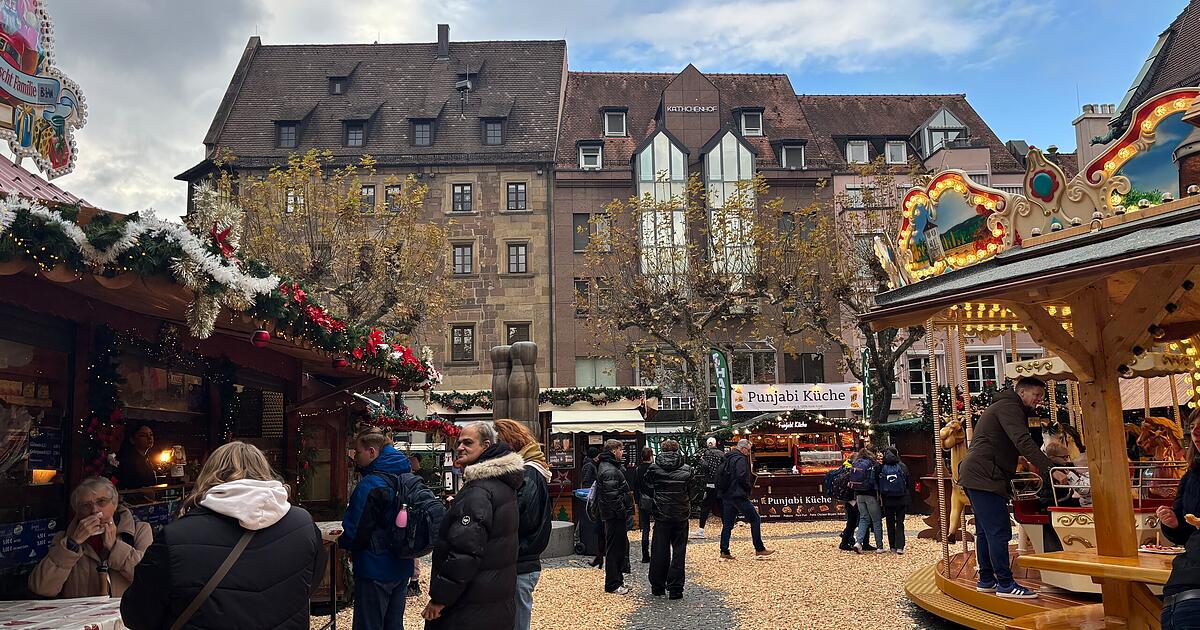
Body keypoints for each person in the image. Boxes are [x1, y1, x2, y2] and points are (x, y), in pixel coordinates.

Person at [121, 442, 325, 629]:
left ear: (209, 476)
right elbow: (310, 583)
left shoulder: (176, 537)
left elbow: (138, 616)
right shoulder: (303, 525)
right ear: (265, 473)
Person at [958, 377, 1055, 599]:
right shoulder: (1009, 407)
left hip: (979, 473)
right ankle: (1005, 583)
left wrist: (1034, 421)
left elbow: (1026, 440)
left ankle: (987, 579)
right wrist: (1050, 468)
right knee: (999, 529)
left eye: (1041, 397)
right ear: (1022, 392)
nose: (1039, 400)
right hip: (985, 474)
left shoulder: (1010, 407)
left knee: (984, 530)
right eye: (1036, 395)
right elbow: (1022, 442)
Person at [422, 422, 524, 629]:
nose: (459, 447)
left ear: (486, 446)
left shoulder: (479, 491)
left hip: (469, 607)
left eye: (468, 442)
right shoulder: (501, 484)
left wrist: (440, 598)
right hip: (492, 602)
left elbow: (464, 551)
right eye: (459, 442)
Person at [338, 429, 416, 630]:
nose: (355, 457)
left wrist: (343, 543)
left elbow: (355, 531)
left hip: (374, 565)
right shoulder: (406, 477)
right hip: (402, 564)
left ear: (372, 452)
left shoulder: (371, 484)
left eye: (358, 452)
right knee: (393, 623)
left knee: (369, 624)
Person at [29, 477, 152, 598]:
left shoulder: (138, 531)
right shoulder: (63, 539)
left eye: (101, 502)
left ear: (114, 505)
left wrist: (115, 547)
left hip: (122, 616)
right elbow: (42, 588)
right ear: (77, 511)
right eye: (85, 505)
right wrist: (72, 545)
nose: (94, 510)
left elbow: (152, 579)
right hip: (80, 616)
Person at [494, 419, 552, 630]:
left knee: (517, 621)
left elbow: (521, 516)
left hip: (520, 561)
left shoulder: (528, 472)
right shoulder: (532, 469)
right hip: (522, 560)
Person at [1160, 411, 1200, 629]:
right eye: (1192, 426)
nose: (1195, 431)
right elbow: (1186, 531)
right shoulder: (1190, 478)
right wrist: (1173, 524)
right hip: (1186, 591)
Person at [644, 439, 694, 599]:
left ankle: (658, 586)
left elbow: (647, 486)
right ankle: (676, 588)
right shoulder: (687, 469)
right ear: (677, 450)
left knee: (659, 550)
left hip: (661, 513)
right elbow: (692, 491)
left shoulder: (653, 469)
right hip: (680, 514)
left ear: (662, 450)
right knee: (679, 551)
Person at [718, 439, 775, 560]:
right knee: (755, 519)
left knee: (727, 524)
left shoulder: (727, 457)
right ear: (743, 448)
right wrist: (748, 488)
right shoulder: (740, 459)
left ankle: (724, 550)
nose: (749, 453)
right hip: (738, 494)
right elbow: (741, 476)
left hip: (727, 495)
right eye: (748, 450)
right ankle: (759, 548)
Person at [596, 439, 634, 594]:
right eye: (621, 450)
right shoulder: (610, 470)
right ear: (614, 451)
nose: (623, 452)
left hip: (613, 515)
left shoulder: (608, 467)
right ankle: (613, 583)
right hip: (614, 516)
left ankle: (618, 581)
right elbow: (613, 497)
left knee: (618, 548)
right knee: (614, 549)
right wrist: (623, 513)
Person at [850, 448, 885, 554]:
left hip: (859, 495)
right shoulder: (874, 464)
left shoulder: (855, 463)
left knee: (864, 518)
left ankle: (858, 542)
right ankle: (879, 546)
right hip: (871, 495)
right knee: (876, 520)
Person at [879, 446, 911, 554]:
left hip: (888, 499)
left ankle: (892, 546)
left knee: (890, 522)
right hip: (901, 498)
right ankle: (900, 546)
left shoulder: (882, 466)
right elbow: (907, 481)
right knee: (900, 522)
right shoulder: (902, 466)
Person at [692, 437, 725, 539]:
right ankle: (726, 529)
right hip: (720, 484)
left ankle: (701, 530)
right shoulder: (721, 454)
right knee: (722, 506)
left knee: (705, 507)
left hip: (710, 484)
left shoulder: (706, 454)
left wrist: (702, 462)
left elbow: (705, 467)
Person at [115, 421, 157, 491]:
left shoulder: (147, 458)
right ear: (132, 440)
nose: (149, 438)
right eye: (143, 435)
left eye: (151, 434)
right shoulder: (128, 461)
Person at [581, 446, 605, 568]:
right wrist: (590, 491)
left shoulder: (588, 464)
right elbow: (586, 480)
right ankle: (599, 558)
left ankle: (599, 558)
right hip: (590, 496)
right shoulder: (589, 466)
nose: (598, 458)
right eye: (596, 456)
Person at [631, 446, 655, 563]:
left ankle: (645, 555)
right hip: (656, 501)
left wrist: (636, 502)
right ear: (651, 456)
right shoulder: (655, 469)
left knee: (645, 529)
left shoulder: (637, 470)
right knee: (658, 527)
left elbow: (635, 488)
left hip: (643, 501)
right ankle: (656, 553)